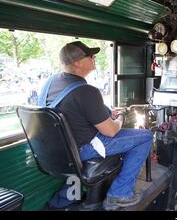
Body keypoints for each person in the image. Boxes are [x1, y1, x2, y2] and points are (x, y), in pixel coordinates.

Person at [39, 41, 152, 210]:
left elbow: (75, 112)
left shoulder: (51, 82)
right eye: (90, 56)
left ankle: (61, 203)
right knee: (145, 137)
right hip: (84, 149)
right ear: (77, 63)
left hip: (58, 150)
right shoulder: (86, 91)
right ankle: (119, 193)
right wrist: (120, 117)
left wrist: (108, 114)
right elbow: (111, 131)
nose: (94, 58)